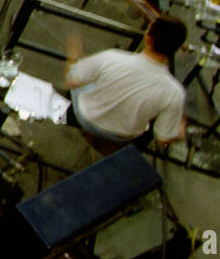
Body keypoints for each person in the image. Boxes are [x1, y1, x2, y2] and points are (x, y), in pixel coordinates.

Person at [63, 16, 187, 155]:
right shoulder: (175, 93)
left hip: (86, 118)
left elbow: (71, 81)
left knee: (81, 74)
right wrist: (181, 127)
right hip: (122, 136)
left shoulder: (112, 57)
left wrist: (73, 55)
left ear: (148, 39)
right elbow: (163, 139)